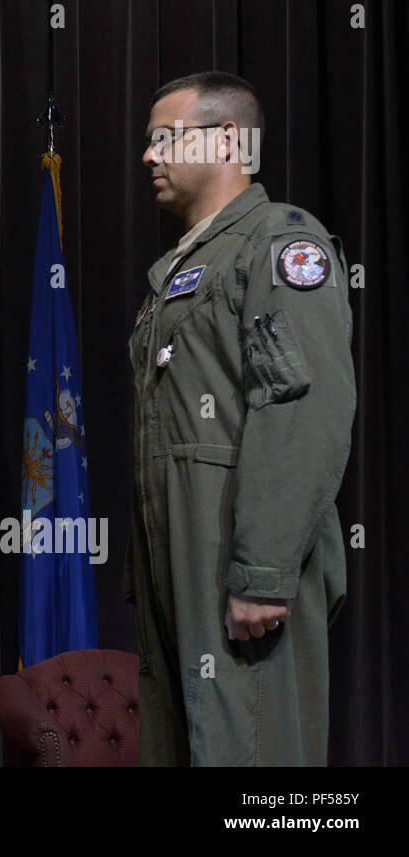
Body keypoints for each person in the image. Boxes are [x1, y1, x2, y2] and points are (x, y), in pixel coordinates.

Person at [124, 71, 355, 766]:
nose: (147, 156)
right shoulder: (179, 270)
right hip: (177, 560)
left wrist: (262, 569)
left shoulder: (279, 244)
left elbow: (298, 408)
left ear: (228, 138)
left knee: (251, 754)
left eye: (164, 138)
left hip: (236, 557)